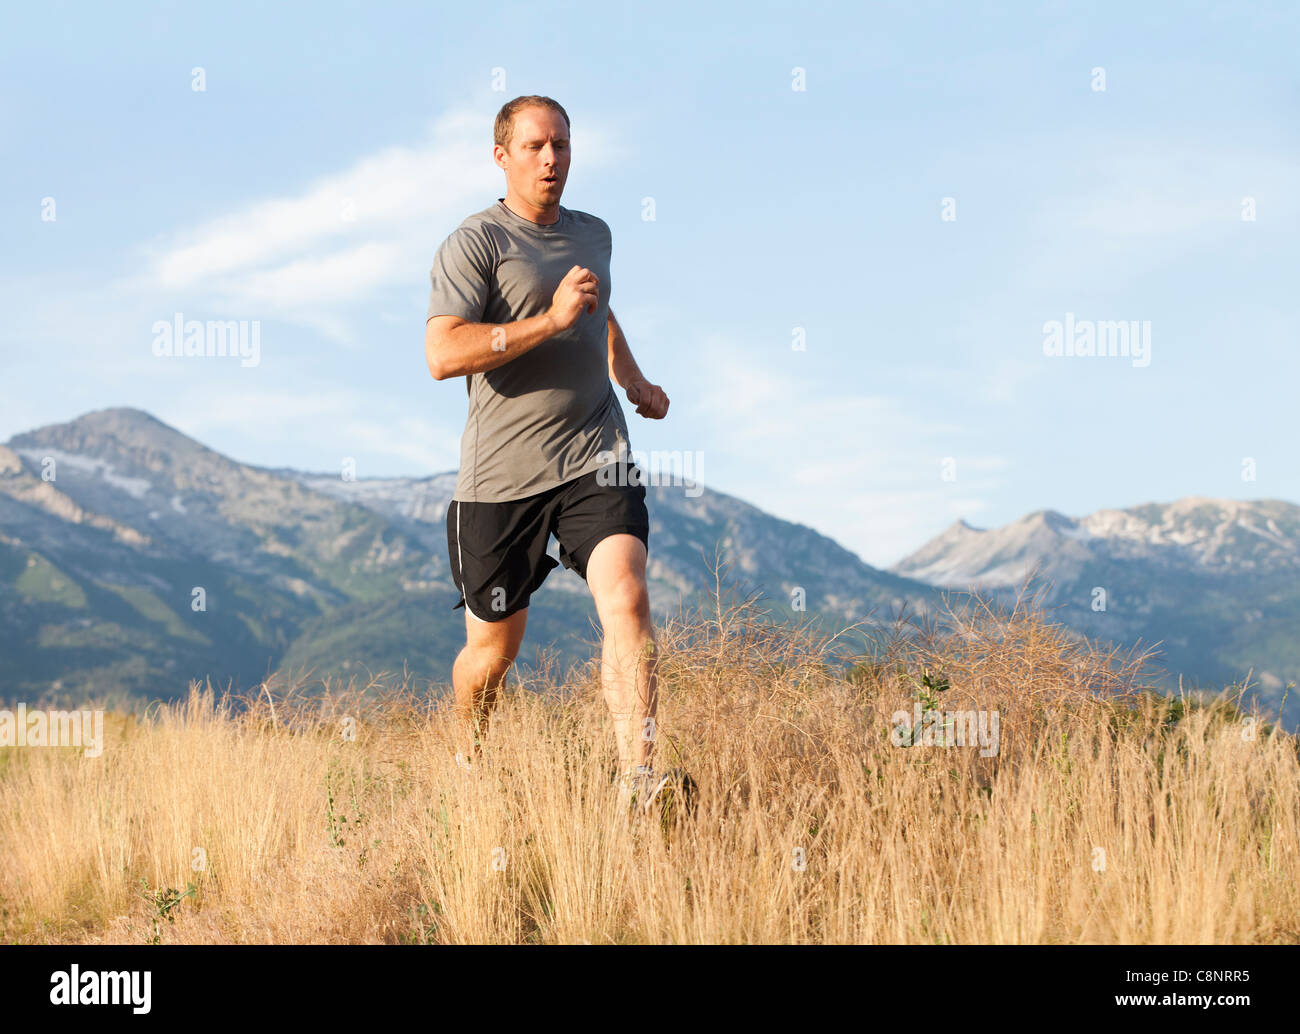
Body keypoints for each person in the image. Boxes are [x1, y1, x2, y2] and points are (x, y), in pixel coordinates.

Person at [424, 95, 693, 817]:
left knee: (628, 596)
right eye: (537, 146)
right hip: (501, 479)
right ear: (501, 155)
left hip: (593, 455)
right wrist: (548, 321)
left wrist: (632, 380)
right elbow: (443, 354)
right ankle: (468, 761)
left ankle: (640, 780)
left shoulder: (593, 235)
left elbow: (597, 308)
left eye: (563, 146)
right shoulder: (474, 244)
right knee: (492, 657)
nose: (552, 160)